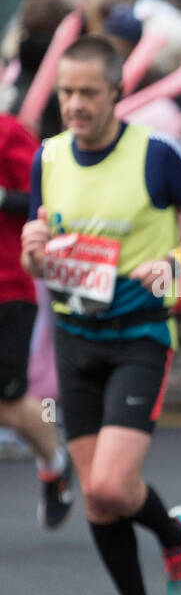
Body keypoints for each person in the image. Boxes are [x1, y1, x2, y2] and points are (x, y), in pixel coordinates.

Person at [20, 35, 181, 595]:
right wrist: (36, 250)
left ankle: (173, 537)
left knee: (110, 485)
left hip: (139, 336)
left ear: (116, 92)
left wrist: (173, 262)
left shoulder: (157, 153)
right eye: (65, 92)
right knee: (98, 492)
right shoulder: (48, 157)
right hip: (75, 335)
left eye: (87, 92)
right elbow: (45, 236)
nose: (75, 104)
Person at [0, 110, 75, 528]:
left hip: (9, 287)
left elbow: (46, 201)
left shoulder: (8, 132)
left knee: (10, 400)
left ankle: (54, 459)